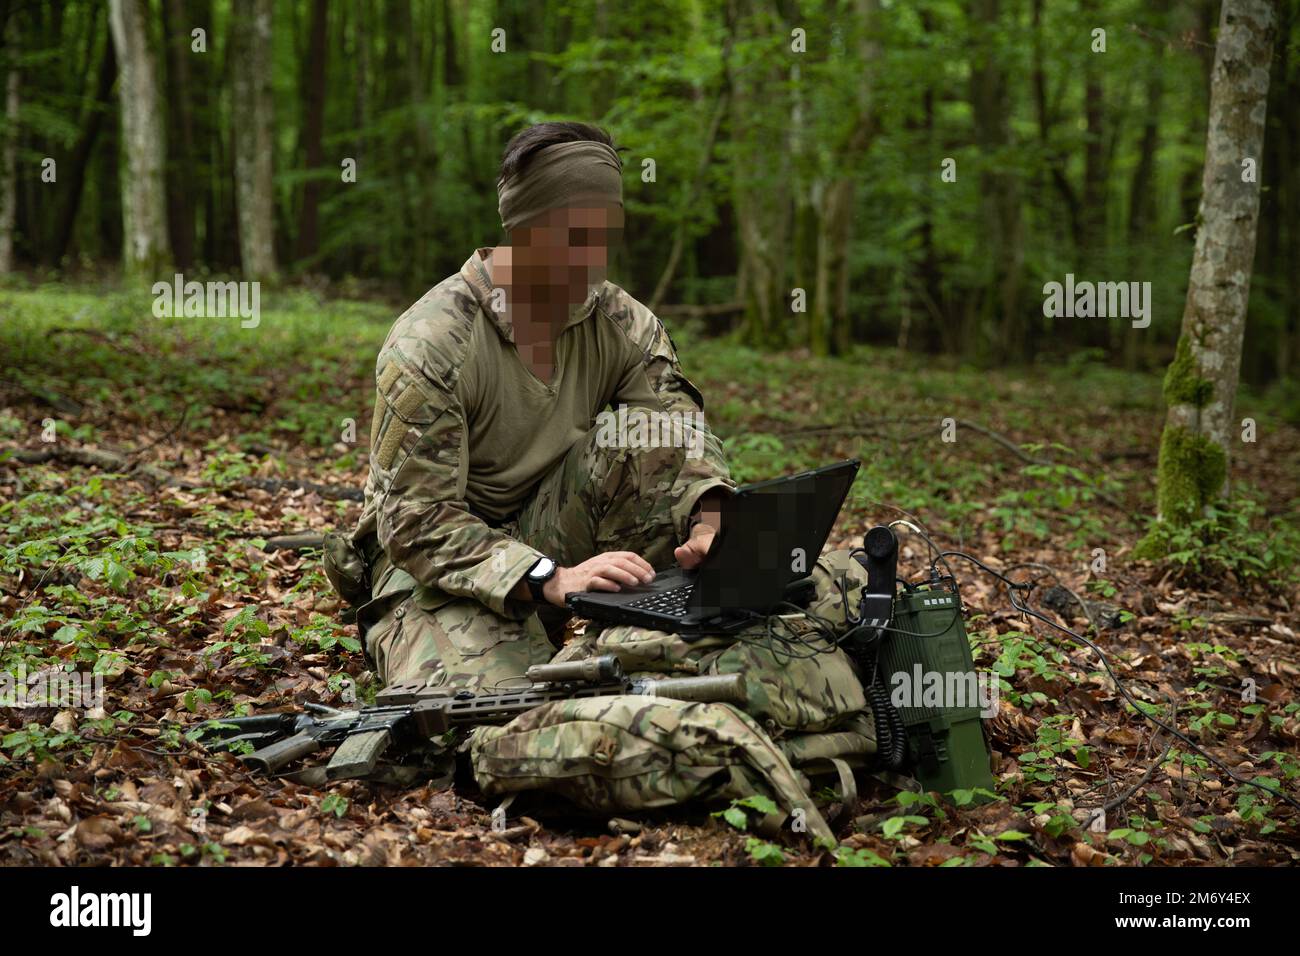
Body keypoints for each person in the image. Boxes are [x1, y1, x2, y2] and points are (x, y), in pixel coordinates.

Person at [336, 121, 734, 690]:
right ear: (522, 231)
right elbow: (416, 520)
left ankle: (640, 617)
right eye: (575, 238)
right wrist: (547, 575)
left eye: (606, 237)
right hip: (436, 562)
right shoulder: (434, 340)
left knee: (648, 433)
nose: (594, 261)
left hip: (553, 528)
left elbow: (677, 434)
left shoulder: (619, 321)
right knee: (489, 710)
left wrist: (710, 518)